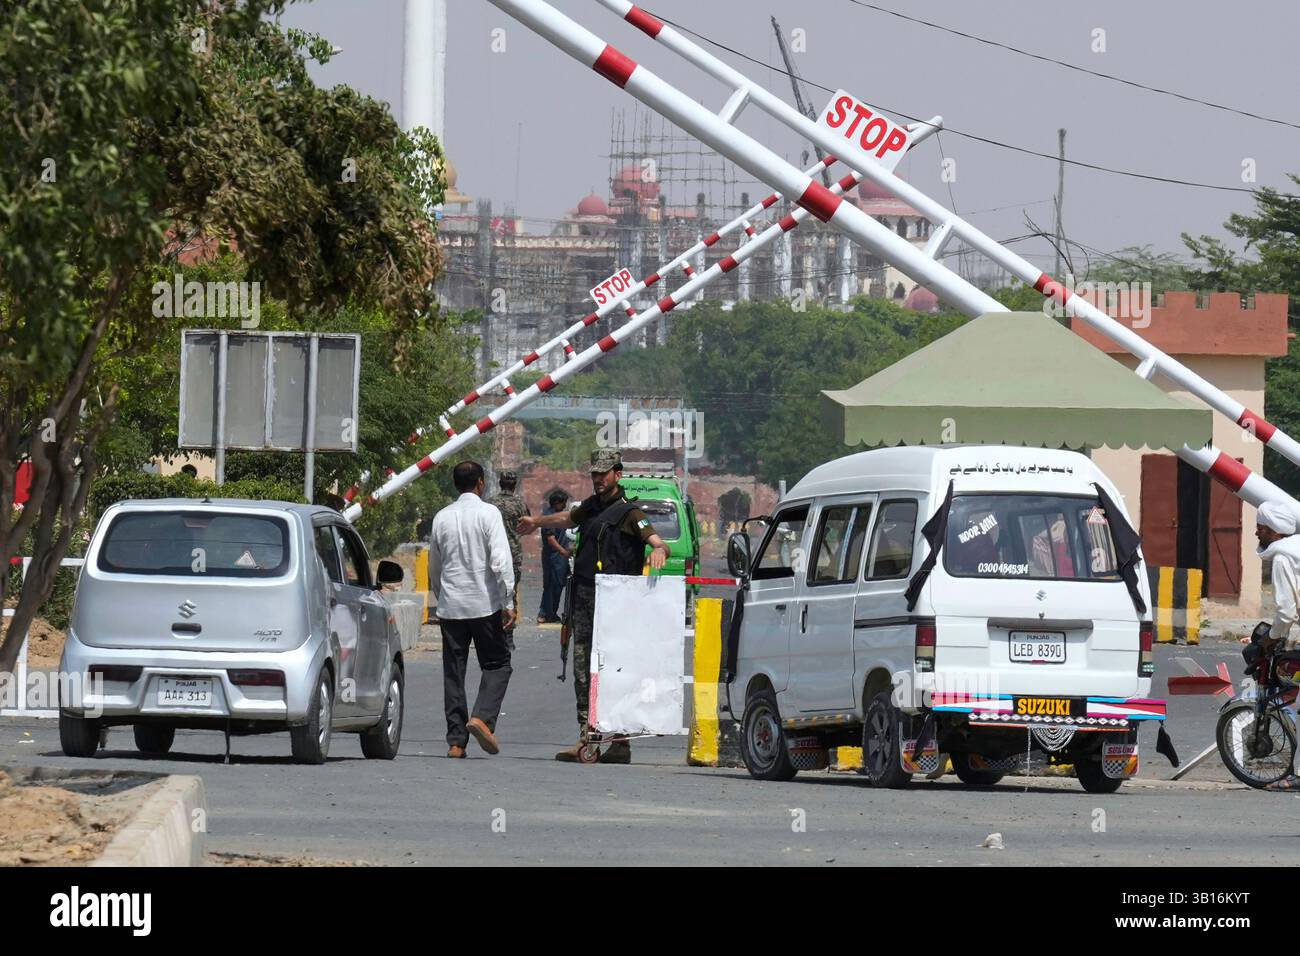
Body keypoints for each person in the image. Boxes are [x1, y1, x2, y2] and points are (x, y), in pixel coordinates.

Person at [519, 449, 670, 764]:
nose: (598, 480)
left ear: (618, 473)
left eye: (604, 473)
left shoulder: (630, 513)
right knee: (583, 669)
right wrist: (535, 522)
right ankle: (588, 736)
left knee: (617, 670)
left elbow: (655, 539)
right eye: (594, 474)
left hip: (617, 603)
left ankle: (620, 741)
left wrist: (659, 551)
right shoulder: (590, 507)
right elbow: (566, 518)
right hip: (586, 598)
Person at [428, 460, 516, 758]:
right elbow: (501, 562)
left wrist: (442, 597)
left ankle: (455, 741)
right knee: (497, 664)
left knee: (454, 672)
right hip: (484, 604)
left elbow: (435, 566)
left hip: (451, 607)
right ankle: (482, 718)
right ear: (480, 483)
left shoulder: (441, 517)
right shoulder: (489, 513)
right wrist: (509, 602)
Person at [488, 470, 530, 646]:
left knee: (490, 591)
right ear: (514, 485)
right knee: (510, 591)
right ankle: (508, 634)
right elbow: (529, 524)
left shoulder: (491, 503)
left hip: (491, 553)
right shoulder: (520, 504)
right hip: (513, 553)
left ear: (500, 483)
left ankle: (492, 632)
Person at [537, 490, 570, 624]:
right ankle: (544, 613)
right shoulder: (548, 517)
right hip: (553, 557)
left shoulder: (557, 515)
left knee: (558, 585)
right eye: (563, 503)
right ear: (557, 503)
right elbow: (551, 539)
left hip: (560, 558)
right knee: (551, 585)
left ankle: (552, 613)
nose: (564, 506)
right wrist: (563, 552)